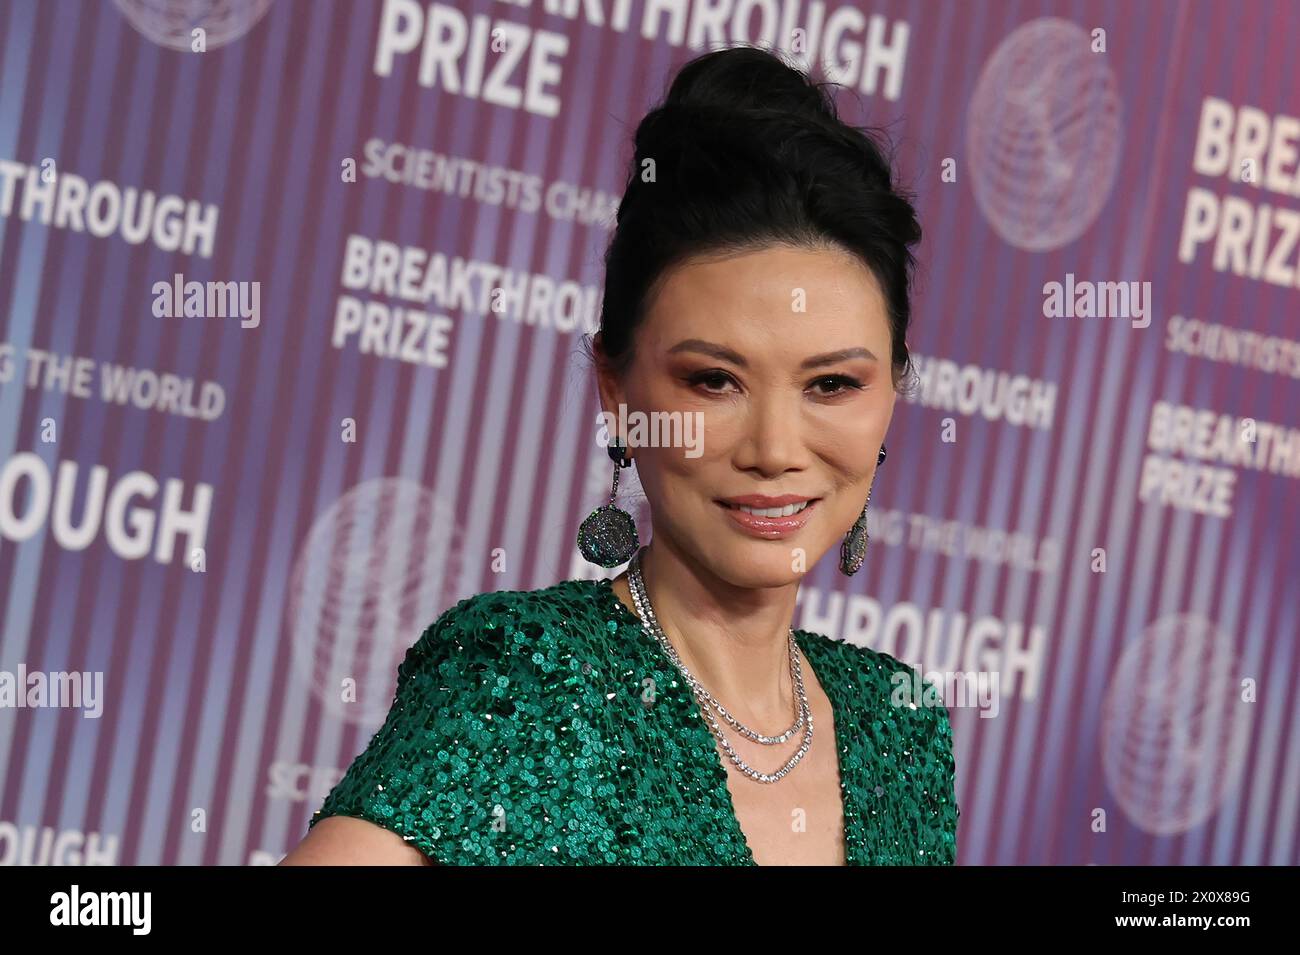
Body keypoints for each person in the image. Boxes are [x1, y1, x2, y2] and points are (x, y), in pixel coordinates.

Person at [281, 44, 957, 866]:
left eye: (831, 385)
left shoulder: (899, 726)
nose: (776, 449)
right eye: (714, 380)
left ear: (893, 388)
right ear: (616, 388)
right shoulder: (530, 687)